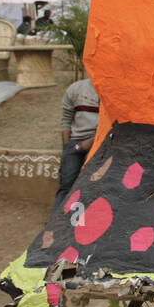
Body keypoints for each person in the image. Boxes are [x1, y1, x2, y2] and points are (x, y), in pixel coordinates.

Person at [54, 77, 100, 216]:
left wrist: (91, 142)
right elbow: (66, 120)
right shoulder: (75, 89)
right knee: (67, 184)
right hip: (75, 142)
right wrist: (67, 146)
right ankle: (55, 224)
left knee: (86, 185)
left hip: (99, 141)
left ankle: (77, 224)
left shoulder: (111, 90)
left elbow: (112, 124)